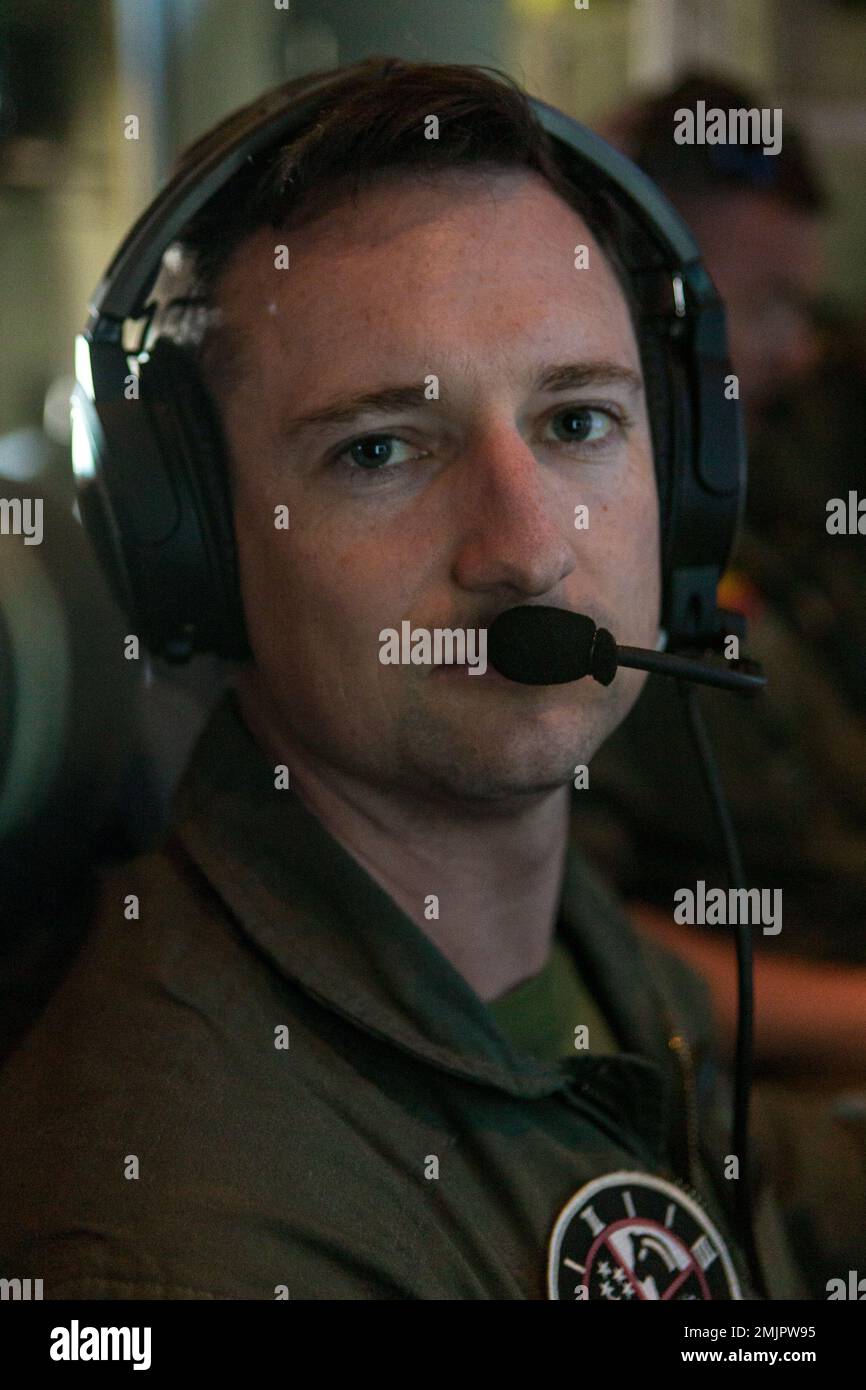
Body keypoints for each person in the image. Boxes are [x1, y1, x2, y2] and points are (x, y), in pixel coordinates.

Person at [0, 58, 863, 1302]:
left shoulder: (551, 938)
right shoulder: (182, 1237)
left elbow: (736, 1186)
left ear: (682, 477)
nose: (522, 546)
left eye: (575, 422)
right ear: (189, 543)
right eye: (382, 449)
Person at [578, 75, 866, 1084]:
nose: (795, 353)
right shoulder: (562, 598)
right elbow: (571, 939)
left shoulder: (762, 498)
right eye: (764, 307)